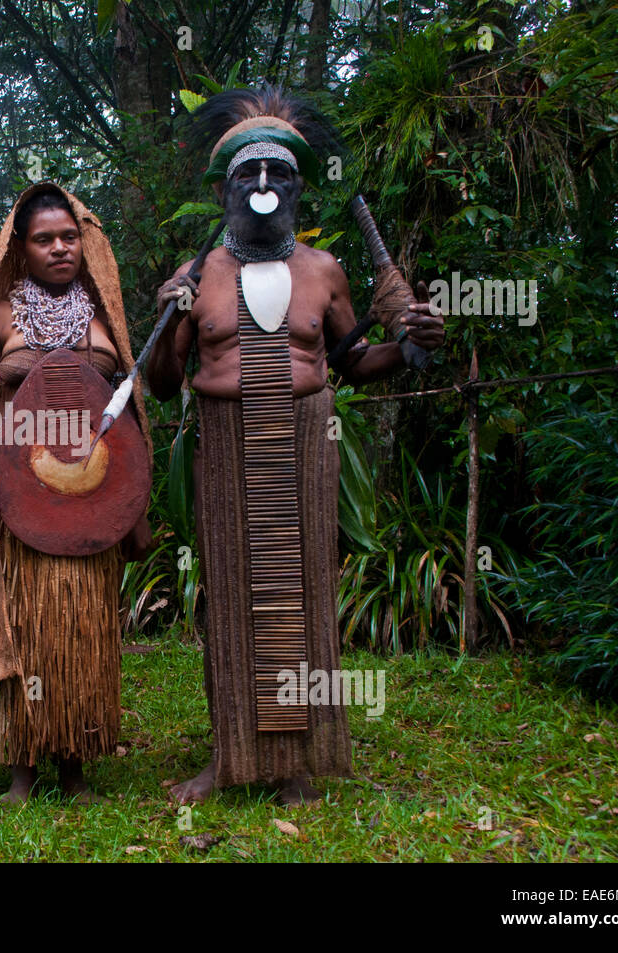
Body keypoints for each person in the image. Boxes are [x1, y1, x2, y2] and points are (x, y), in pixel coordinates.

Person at [147, 88, 446, 805]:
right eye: (247, 176)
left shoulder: (325, 272)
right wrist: (166, 316)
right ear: (226, 189)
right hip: (225, 440)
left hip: (307, 437)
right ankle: (231, 756)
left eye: (276, 175)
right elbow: (162, 382)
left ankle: (298, 766)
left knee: (300, 592)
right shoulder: (198, 278)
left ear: (297, 188)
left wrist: (409, 348)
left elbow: (353, 361)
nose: (261, 188)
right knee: (233, 595)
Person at [0, 183, 151, 803]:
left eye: (69, 237)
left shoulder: (103, 313)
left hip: (91, 496)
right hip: (17, 495)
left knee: (81, 627)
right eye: (44, 239)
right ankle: (22, 764)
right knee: (24, 625)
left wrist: (131, 502)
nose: (60, 248)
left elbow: (130, 415)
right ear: (22, 249)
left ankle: (75, 763)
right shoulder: (0, 318)